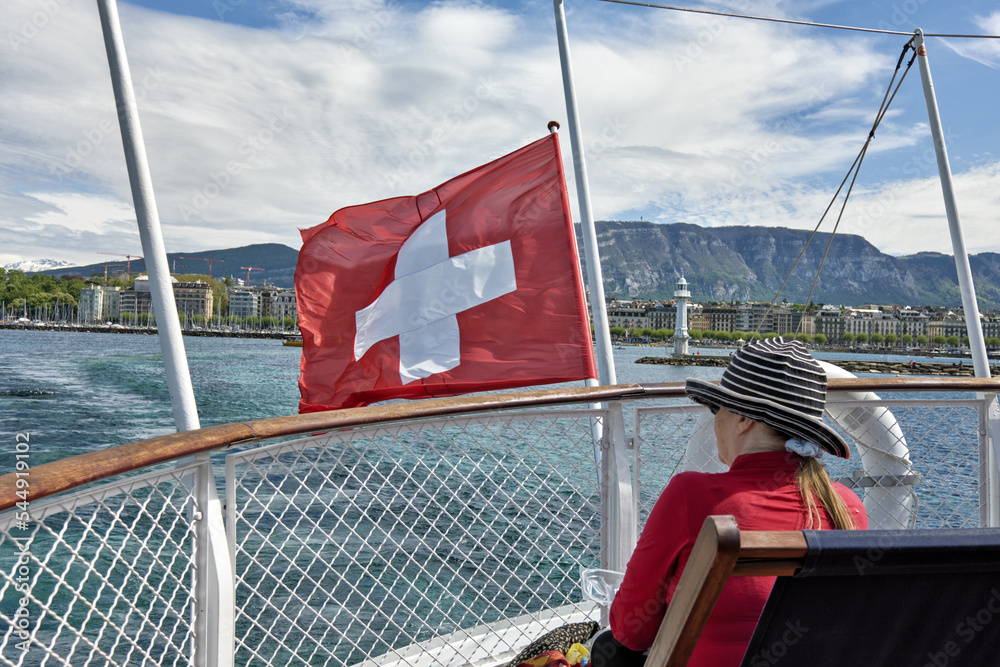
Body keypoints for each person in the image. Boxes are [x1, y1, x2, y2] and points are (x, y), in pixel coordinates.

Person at [592, 337, 868, 667]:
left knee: (609, 649)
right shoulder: (848, 507)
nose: (714, 420)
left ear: (743, 420)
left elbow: (630, 630)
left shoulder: (691, 496)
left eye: (717, 408)